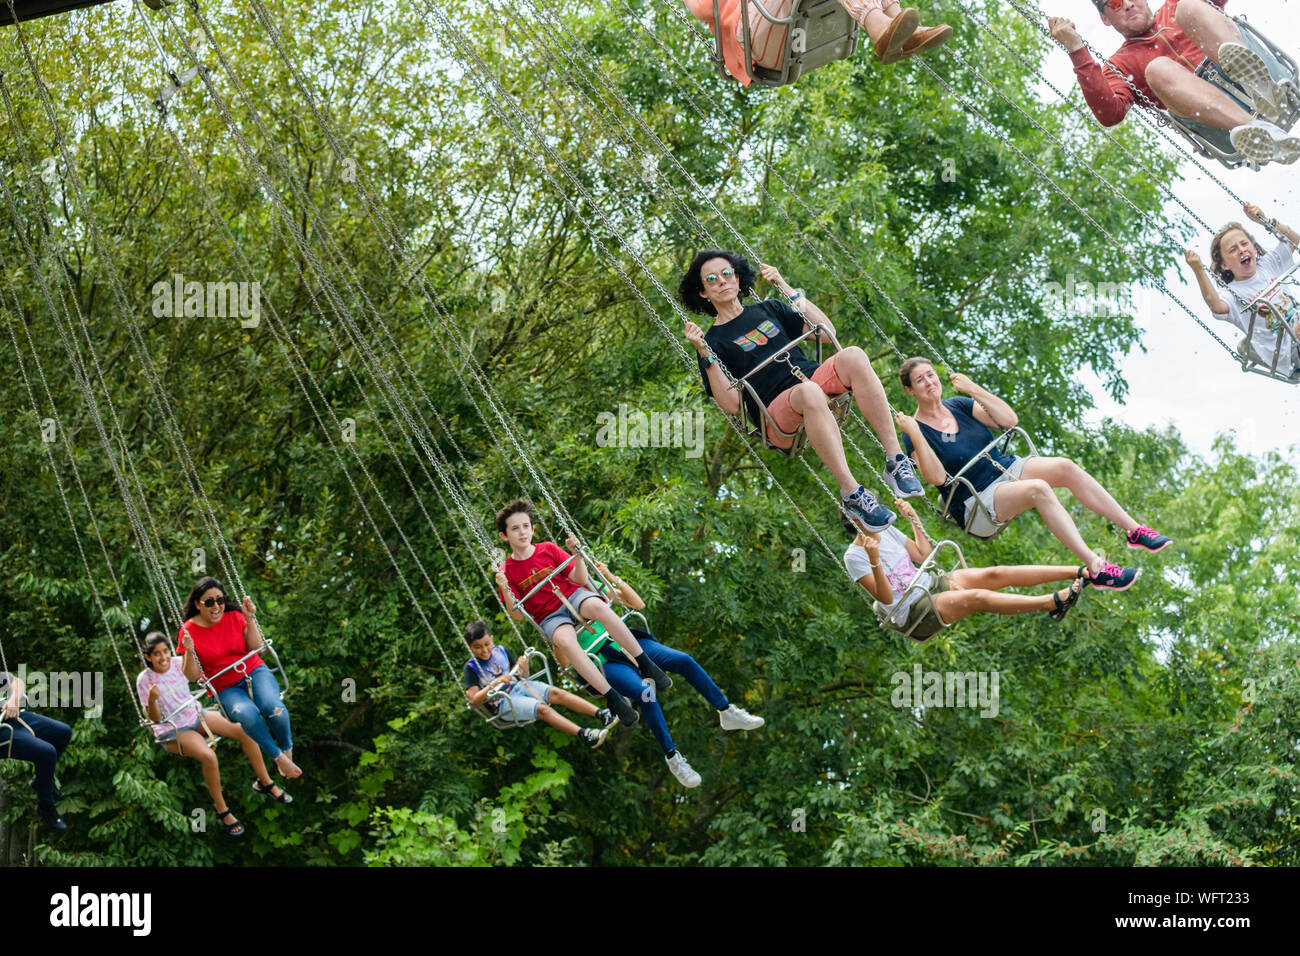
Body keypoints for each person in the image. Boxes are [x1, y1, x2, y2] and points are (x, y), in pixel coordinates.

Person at [680, 249, 924, 532]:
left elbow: (825, 332)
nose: (722, 281)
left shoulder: (769, 309)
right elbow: (732, 404)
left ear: (737, 277)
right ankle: (852, 494)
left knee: (854, 355)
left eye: (726, 273)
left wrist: (784, 286)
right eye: (712, 279)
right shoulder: (713, 341)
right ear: (703, 292)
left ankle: (895, 460)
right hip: (774, 412)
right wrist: (703, 352)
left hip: (810, 379)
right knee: (809, 392)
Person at [896, 359, 1168, 590]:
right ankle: (1097, 568)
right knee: (1038, 489)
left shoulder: (959, 405)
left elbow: (1008, 420)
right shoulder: (914, 433)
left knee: (1065, 467)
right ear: (910, 390)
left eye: (931, 375)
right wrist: (916, 433)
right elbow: (936, 478)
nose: (929, 382)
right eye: (920, 380)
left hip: (1005, 468)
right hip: (976, 500)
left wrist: (972, 388)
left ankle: (1134, 531)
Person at [553, 559, 764, 788]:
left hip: (625, 642)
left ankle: (726, 711)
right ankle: (673, 756)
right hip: (602, 660)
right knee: (645, 693)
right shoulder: (552, 613)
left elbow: (638, 604)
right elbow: (565, 662)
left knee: (684, 660)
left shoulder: (588, 589)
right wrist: (559, 642)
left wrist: (611, 577)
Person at [1048, 0, 1300, 167]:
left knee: (1188, 7)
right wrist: (1076, 48)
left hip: (1272, 81)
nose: (1128, 4)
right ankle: (1261, 132)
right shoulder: (1121, 65)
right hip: (1227, 128)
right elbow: (1109, 113)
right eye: (1115, 3)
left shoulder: (1175, 6)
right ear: (1105, 18)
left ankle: (1266, 91)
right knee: (1157, 69)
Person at [494, 499, 672, 730]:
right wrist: (505, 587)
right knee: (566, 642)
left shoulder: (548, 549)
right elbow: (518, 615)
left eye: (526, 526)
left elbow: (579, 579)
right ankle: (613, 698)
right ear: (504, 536)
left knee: (600, 607)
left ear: (533, 528)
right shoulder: (507, 571)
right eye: (515, 528)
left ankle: (646, 663)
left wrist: (576, 555)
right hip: (549, 616)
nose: (522, 532)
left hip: (573, 597)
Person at [844, 501, 1086, 640]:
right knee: (978, 598)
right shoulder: (854, 557)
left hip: (930, 583)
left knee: (995, 574)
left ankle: (1078, 571)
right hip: (913, 612)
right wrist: (874, 559)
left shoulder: (886, 530)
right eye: (871, 508)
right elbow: (886, 598)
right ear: (857, 520)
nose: (878, 510)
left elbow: (922, 554)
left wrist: (912, 517)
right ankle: (1051, 603)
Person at [138, 633, 291, 836]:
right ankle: (222, 809)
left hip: (195, 715)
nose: (163, 657)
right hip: (173, 730)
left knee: (245, 730)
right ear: (148, 657)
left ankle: (265, 782)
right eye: (157, 654)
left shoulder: (178, 663)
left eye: (165, 651)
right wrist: (151, 698)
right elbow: (156, 719)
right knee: (209, 756)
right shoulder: (145, 680)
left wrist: (191, 650)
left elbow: (201, 671)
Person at [178, 577, 301, 782]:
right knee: (248, 714)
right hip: (224, 686)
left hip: (253, 671)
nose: (216, 607)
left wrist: (250, 619)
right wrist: (189, 652)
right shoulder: (188, 631)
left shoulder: (234, 615)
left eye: (220, 600)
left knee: (273, 708)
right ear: (197, 604)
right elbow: (191, 676)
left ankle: (287, 751)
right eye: (209, 602)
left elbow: (256, 647)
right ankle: (278, 757)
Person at [683, 0, 951, 86]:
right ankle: (878, 26)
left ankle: (899, 27)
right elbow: (704, 9)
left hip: (787, 26)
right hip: (754, 36)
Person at [1184, 201, 1300, 380]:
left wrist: (1265, 221)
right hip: (1288, 352)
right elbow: (1216, 306)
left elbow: (1293, 240)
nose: (1241, 250)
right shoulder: (1233, 293)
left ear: (1254, 249)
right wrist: (1199, 270)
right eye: (1233, 249)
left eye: (1244, 244)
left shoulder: (1268, 265)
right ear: (1224, 265)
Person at [463, 621, 616, 748]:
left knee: (557, 693)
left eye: (487, 644)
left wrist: (524, 666)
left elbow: (523, 676)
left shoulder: (501, 651)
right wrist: (495, 683)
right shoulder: (471, 668)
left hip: (520, 686)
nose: (484, 650)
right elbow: (474, 700)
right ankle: (586, 734)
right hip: (503, 702)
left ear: (492, 638)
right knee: (542, 709)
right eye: (477, 647)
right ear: (470, 647)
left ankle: (602, 714)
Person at [0, 669, 72, 832]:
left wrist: (13, 699)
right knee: (47, 752)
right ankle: (46, 808)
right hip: (2, 731)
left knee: (63, 732)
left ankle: (42, 780)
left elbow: (16, 682)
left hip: (11, 718)